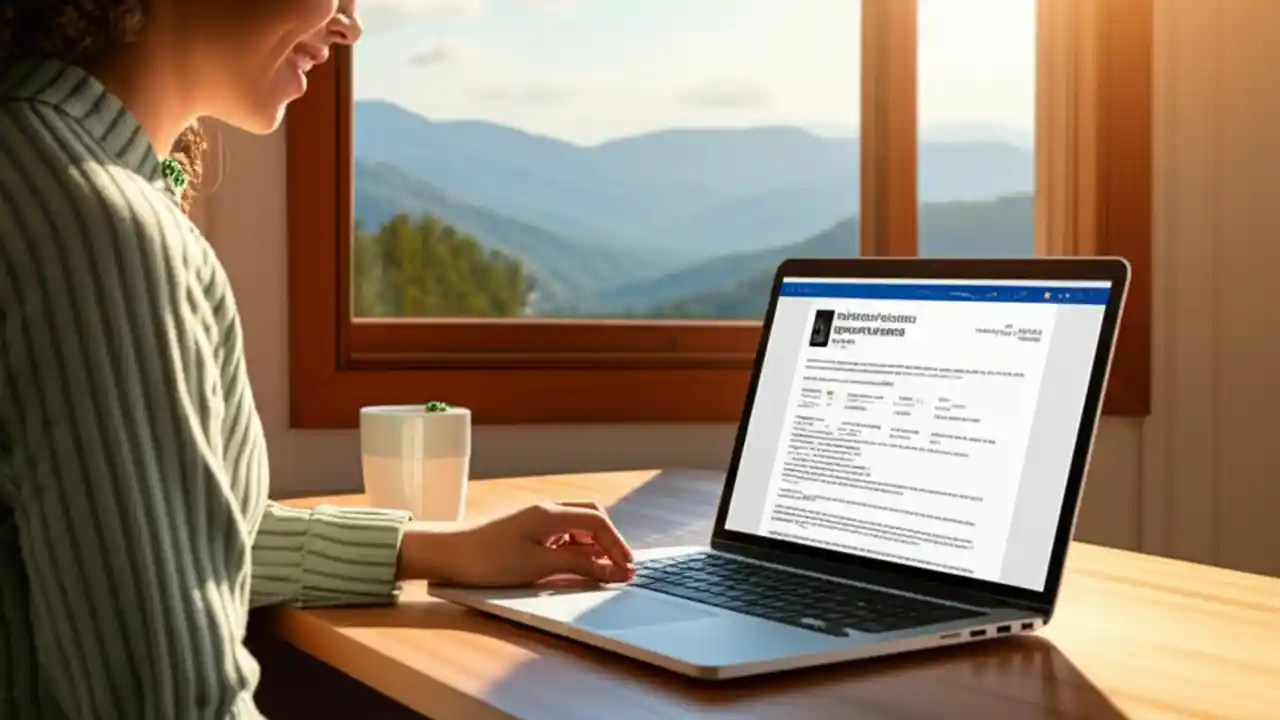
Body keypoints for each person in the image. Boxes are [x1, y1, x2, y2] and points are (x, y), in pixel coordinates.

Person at [0, 2, 634, 717]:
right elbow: (169, 697)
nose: (349, 26)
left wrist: (439, 550)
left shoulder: (41, 161)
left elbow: (160, 541)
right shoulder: (99, 231)